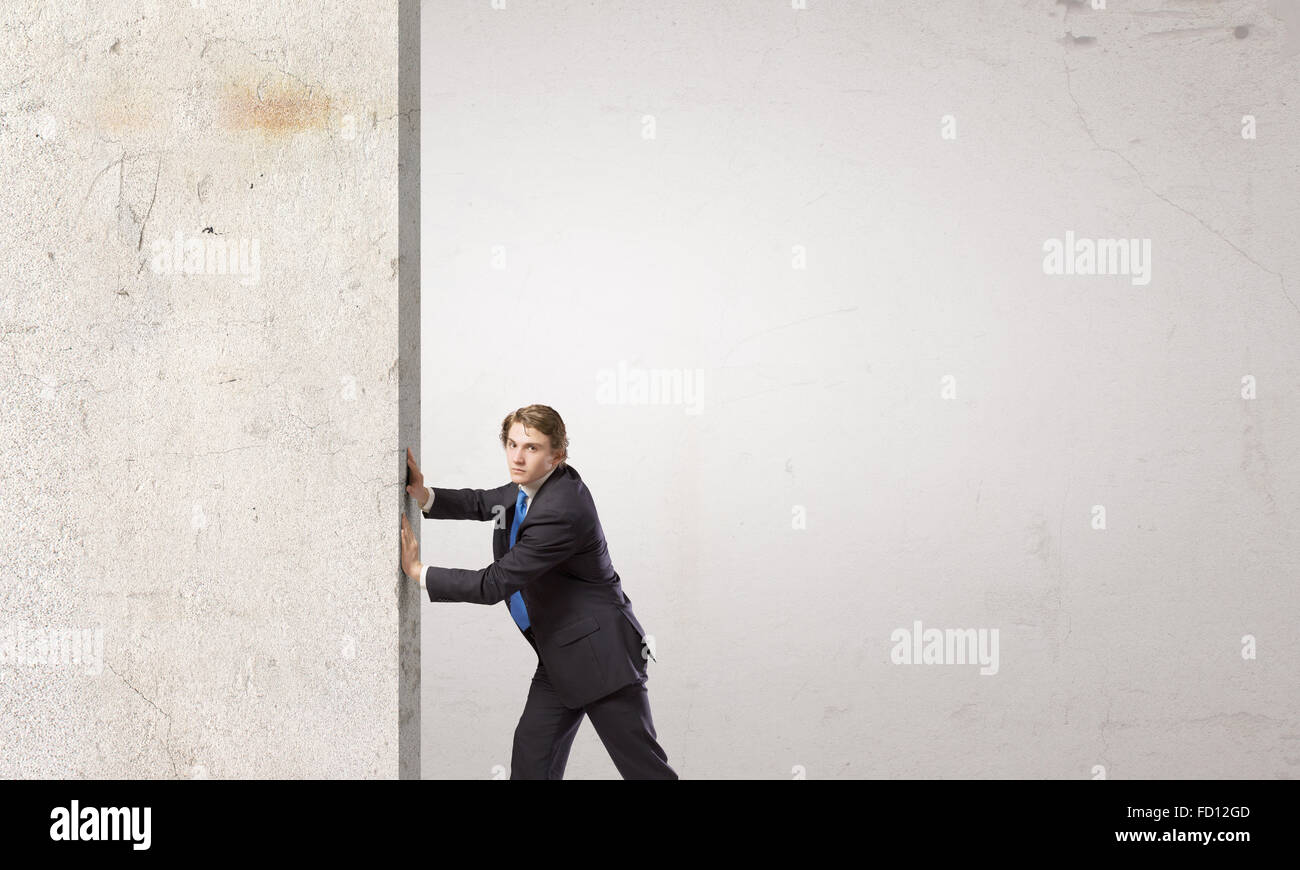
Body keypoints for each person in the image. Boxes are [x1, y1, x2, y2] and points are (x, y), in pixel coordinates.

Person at [399, 404, 677, 780]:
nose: (517, 456)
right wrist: (423, 493)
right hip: (561, 654)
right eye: (512, 444)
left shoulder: (561, 509)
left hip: (602, 658)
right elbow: (486, 502)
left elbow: (493, 583)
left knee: (645, 771)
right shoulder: (530, 488)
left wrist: (419, 572)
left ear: (556, 456)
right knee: (532, 759)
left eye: (531, 448)